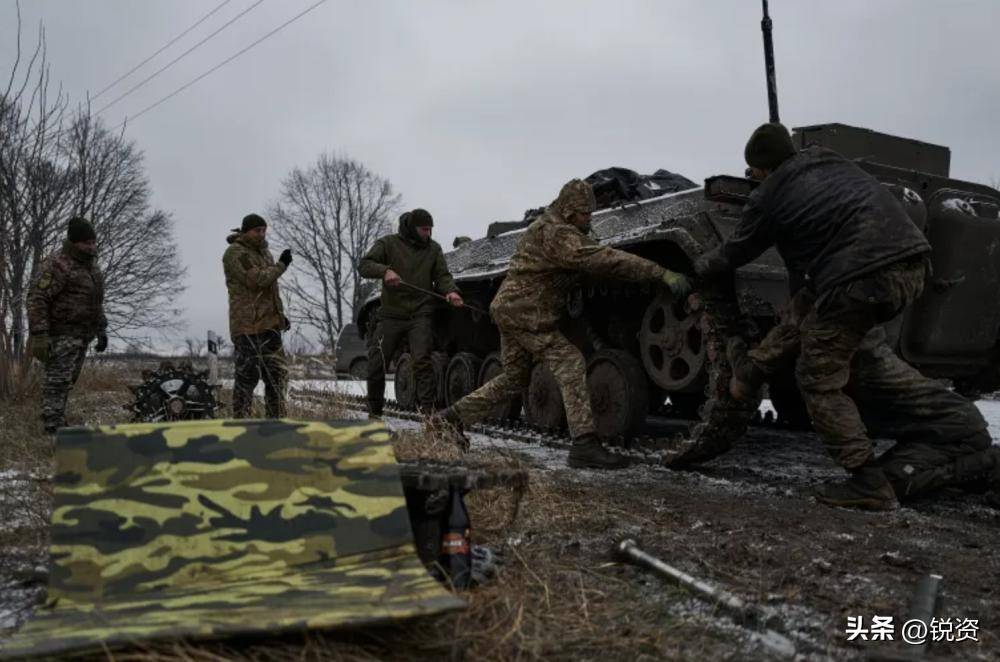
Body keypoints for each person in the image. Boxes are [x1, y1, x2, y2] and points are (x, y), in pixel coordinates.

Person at [695, 121, 951, 509]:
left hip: (859, 276)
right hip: (911, 262)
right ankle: (749, 373)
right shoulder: (827, 159)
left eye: (754, 170)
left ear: (761, 167)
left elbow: (735, 252)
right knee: (808, 312)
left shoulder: (770, 195)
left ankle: (867, 482)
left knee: (816, 377)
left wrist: (696, 269)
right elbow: (807, 265)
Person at [436, 179, 691, 469]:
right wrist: (660, 273)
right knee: (570, 363)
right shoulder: (557, 233)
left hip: (513, 309)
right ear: (569, 210)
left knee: (514, 378)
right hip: (526, 311)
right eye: (585, 213)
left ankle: (449, 419)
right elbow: (604, 259)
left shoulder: (553, 226)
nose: (589, 218)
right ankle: (584, 445)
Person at [729, 288, 997, 509]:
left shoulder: (831, 347)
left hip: (955, 432)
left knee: (885, 487)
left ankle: (987, 462)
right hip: (946, 425)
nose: (780, 315)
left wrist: (736, 342)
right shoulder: (850, 333)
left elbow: (746, 382)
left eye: (786, 313)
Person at [359, 209, 463, 416]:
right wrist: (384, 271)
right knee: (376, 362)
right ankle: (374, 415)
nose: (428, 234)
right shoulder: (388, 244)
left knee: (423, 362)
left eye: (430, 230)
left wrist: (451, 291)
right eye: (424, 229)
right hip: (391, 314)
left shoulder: (433, 249)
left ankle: (429, 417)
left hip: (420, 314)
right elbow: (364, 265)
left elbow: (442, 275)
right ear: (412, 228)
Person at [27, 217, 109, 434]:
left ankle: (56, 419)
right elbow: (37, 298)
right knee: (57, 381)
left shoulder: (93, 269)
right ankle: (52, 428)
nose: (92, 246)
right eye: (87, 243)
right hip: (61, 334)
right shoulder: (58, 265)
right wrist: (40, 334)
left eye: (93, 242)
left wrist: (101, 329)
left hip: (83, 335)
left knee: (68, 381)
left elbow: (96, 301)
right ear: (74, 242)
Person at [222, 213, 291, 418]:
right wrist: (282, 265)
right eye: (257, 231)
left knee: (277, 376)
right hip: (247, 326)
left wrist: (280, 316)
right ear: (246, 231)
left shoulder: (264, 253)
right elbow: (257, 280)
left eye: (264, 230)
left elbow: (270, 289)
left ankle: (275, 423)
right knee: (247, 377)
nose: (261, 235)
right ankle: (241, 423)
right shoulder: (235, 253)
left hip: (269, 325)